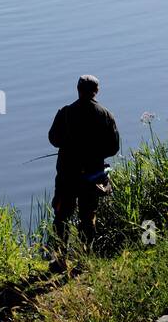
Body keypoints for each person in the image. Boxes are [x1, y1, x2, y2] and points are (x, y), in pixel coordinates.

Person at [48, 75, 120, 255]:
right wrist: (95, 152)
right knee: (88, 218)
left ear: (78, 90)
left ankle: (59, 258)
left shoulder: (64, 112)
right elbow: (113, 148)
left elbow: (54, 140)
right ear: (96, 91)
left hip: (67, 176)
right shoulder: (106, 115)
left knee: (61, 217)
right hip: (92, 176)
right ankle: (85, 257)